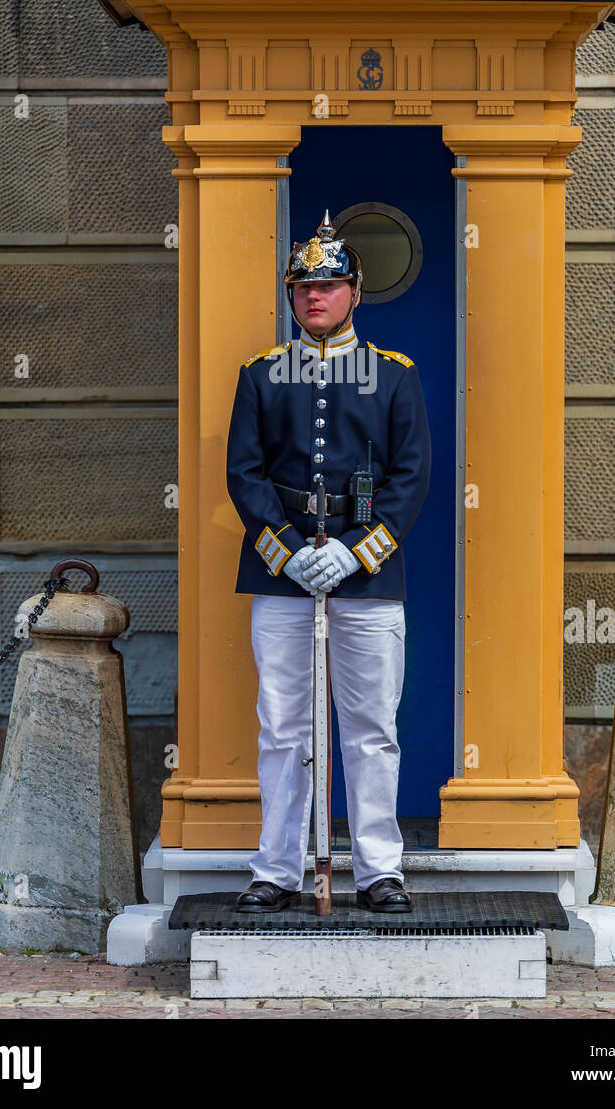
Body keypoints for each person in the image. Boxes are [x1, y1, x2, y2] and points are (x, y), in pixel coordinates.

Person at [225, 211, 431, 913]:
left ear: (354, 293)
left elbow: (411, 478)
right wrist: (288, 554)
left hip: (368, 576)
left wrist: (353, 551)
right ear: (291, 296)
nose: (315, 297)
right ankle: (278, 870)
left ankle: (379, 870)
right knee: (283, 725)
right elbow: (244, 475)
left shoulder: (395, 377)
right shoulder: (260, 376)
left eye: (329, 285)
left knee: (372, 726)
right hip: (281, 576)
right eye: (303, 287)